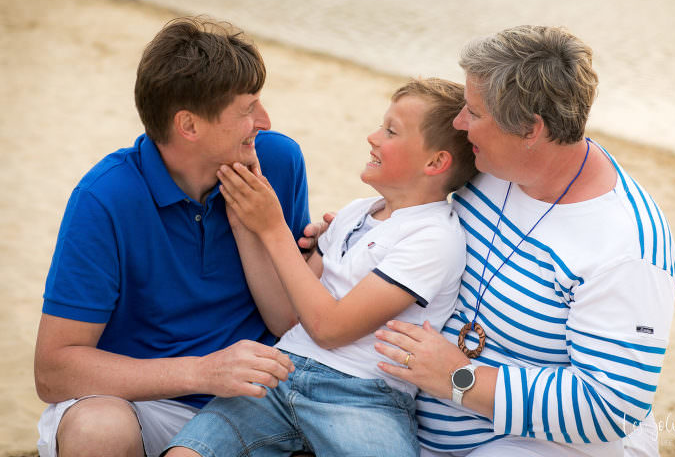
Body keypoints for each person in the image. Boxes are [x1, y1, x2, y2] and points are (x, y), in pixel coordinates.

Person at [371, 26, 675, 456]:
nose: (460, 124)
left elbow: (611, 408)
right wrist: (363, 232)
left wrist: (460, 377)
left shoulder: (624, 249)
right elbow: (416, 206)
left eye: (474, 113)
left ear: (531, 130)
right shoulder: (489, 164)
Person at [34, 17, 310, 457]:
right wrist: (201, 372)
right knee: (95, 430)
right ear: (189, 125)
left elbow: (291, 319)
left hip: (250, 405)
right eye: (248, 109)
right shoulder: (104, 197)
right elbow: (53, 371)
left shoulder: (277, 161)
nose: (265, 121)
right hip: (140, 401)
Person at [164, 78, 479, 457]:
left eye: (390, 131)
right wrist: (245, 224)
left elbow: (330, 330)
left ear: (435, 162)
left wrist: (273, 227)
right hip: (280, 370)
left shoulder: (433, 237)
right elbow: (284, 317)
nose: (372, 137)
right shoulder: (353, 214)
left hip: (362, 396)